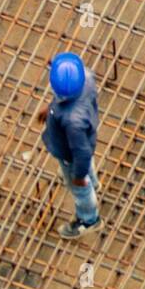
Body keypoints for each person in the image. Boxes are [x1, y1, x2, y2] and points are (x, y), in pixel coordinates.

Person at [37, 52, 102, 238]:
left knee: (80, 187)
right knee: (87, 162)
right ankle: (93, 182)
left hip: (71, 152)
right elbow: (67, 76)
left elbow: (80, 152)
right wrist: (50, 110)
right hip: (86, 136)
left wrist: (79, 177)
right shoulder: (86, 78)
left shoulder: (72, 120)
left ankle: (89, 220)